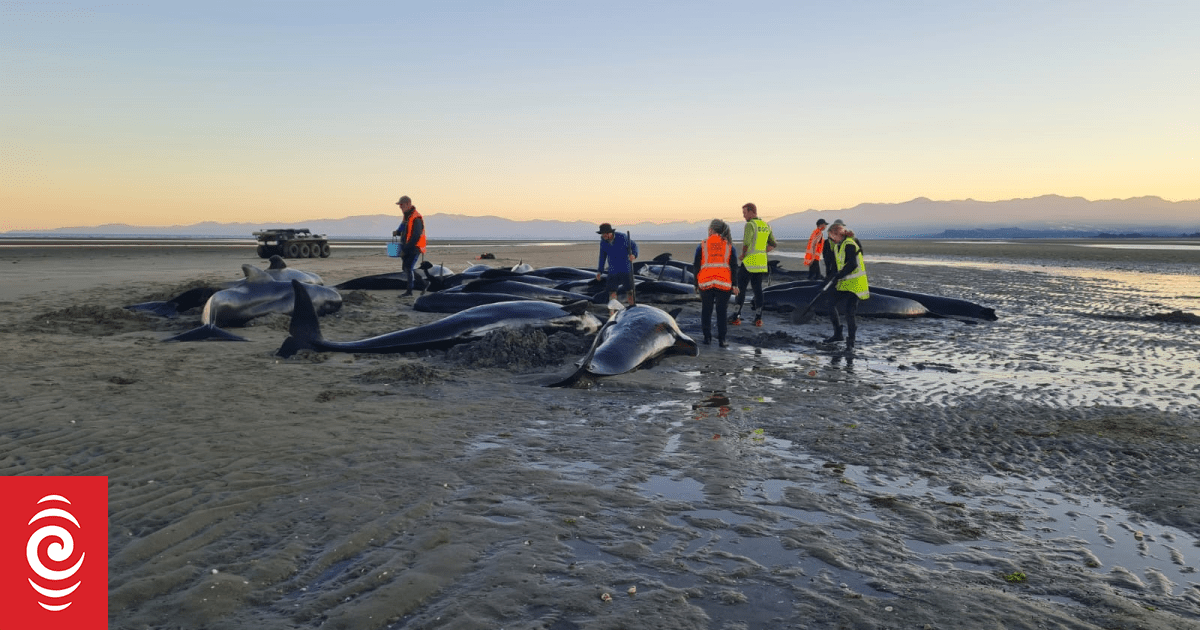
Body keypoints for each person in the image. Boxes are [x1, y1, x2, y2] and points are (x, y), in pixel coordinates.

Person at [821, 221, 869, 349]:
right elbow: (839, 264)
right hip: (845, 283)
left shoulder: (849, 244)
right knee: (830, 303)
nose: (830, 239)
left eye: (831, 236)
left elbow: (853, 264)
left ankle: (851, 341)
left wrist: (839, 275)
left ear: (836, 234)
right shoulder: (839, 245)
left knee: (849, 312)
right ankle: (838, 334)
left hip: (855, 284)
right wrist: (834, 276)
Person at [693, 219, 740, 347]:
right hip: (723, 284)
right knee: (722, 312)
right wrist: (735, 284)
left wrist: (695, 284)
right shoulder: (729, 246)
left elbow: (696, 266)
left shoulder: (702, 245)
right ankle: (722, 340)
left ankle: (707, 338)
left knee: (706, 311)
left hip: (706, 283)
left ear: (711, 230)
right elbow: (734, 266)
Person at [729, 202, 776, 327]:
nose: (744, 216)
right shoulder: (766, 225)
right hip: (761, 263)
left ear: (751, 211)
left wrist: (743, 254)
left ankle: (736, 316)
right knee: (758, 290)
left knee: (741, 289)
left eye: (745, 213)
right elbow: (773, 243)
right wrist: (764, 250)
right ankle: (758, 318)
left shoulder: (750, 225)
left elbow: (746, 242)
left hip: (750, 262)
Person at [595, 223, 639, 306]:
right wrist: (599, 271)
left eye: (605, 233)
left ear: (610, 232)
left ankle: (632, 306)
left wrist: (634, 255)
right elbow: (602, 257)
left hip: (626, 269)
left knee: (629, 291)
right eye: (602, 234)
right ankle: (613, 311)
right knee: (612, 291)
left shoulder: (622, 237)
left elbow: (634, 246)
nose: (604, 236)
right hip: (613, 270)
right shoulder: (603, 242)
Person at [392, 196, 426, 297]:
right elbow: (403, 229)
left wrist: (406, 249)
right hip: (406, 247)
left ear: (408, 204)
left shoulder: (416, 218)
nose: (400, 207)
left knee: (408, 267)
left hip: (414, 248)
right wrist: (397, 232)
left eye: (401, 205)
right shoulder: (406, 217)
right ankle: (424, 284)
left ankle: (410, 291)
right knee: (406, 268)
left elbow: (415, 236)